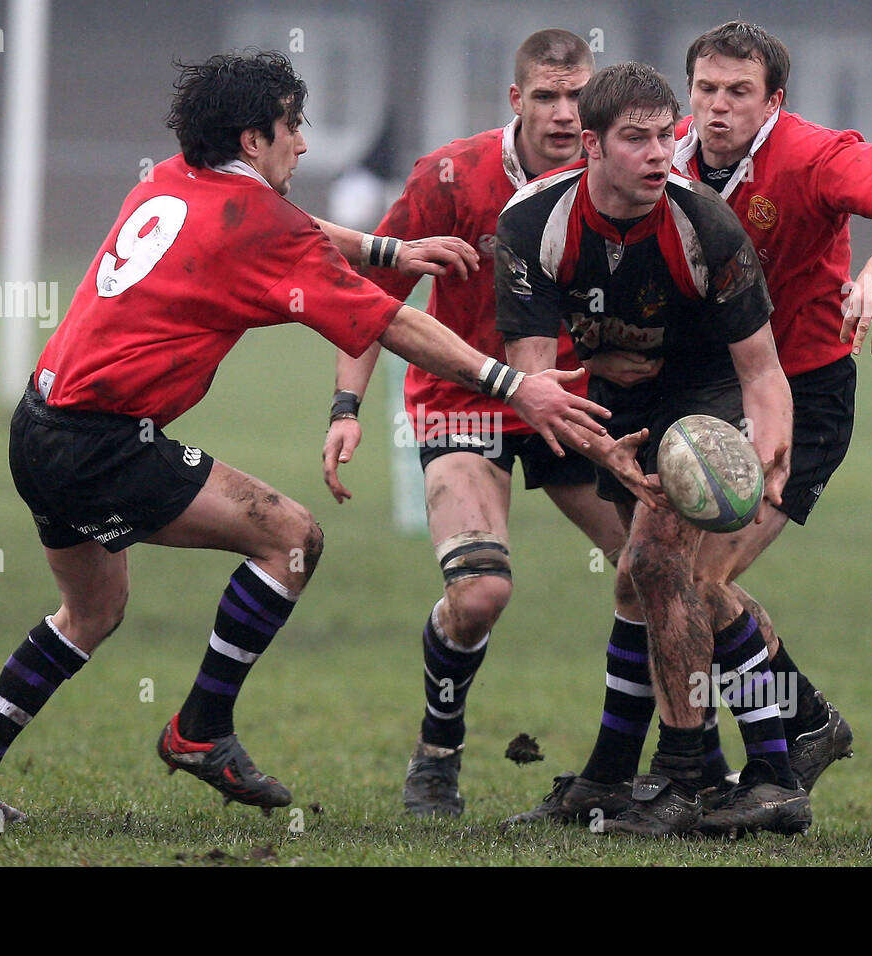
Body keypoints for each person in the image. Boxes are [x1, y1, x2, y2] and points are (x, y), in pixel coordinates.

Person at [0, 50, 611, 826]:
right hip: (100, 445)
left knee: (89, 614)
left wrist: (389, 251)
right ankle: (200, 728)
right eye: (293, 126)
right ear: (253, 139)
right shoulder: (256, 223)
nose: (303, 144)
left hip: (38, 423)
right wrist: (514, 385)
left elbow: (296, 229)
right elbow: (393, 322)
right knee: (292, 539)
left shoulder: (174, 177)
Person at [511, 20, 872, 829]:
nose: (717, 107)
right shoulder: (665, 150)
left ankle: (751, 766)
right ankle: (706, 758)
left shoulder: (811, 156)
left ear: (773, 101)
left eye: (739, 92)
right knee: (648, 576)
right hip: (700, 389)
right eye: (705, 89)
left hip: (799, 390)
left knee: (684, 576)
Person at [320, 29, 644, 819]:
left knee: (656, 574)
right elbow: (371, 296)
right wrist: (346, 408)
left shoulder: (618, 177)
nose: (564, 114)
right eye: (547, 97)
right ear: (516, 99)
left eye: (578, 97)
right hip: (463, 399)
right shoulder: (449, 176)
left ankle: (666, 769)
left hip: (572, 403)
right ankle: (437, 754)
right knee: (479, 593)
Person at [495, 61, 807, 837]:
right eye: (636, 138)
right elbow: (535, 379)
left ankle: (680, 778)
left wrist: (767, 455)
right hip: (619, 405)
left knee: (659, 563)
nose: (660, 152)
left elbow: (762, 372)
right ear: (591, 146)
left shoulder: (707, 224)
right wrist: (599, 445)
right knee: (641, 581)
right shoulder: (533, 222)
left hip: (705, 402)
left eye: (667, 135)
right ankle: (662, 776)